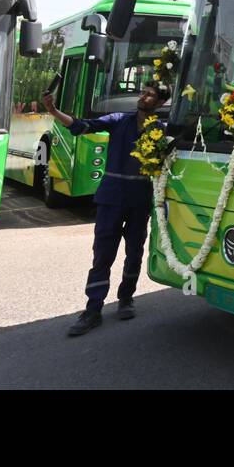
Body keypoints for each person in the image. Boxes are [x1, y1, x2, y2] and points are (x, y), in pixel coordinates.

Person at [42, 81, 170, 336]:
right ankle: (93, 310)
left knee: (134, 252)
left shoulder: (161, 131)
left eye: (150, 95)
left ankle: (126, 299)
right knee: (102, 255)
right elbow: (82, 126)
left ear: (160, 102)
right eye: (143, 92)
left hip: (140, 202)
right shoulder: (119, 120)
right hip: (111, 199)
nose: (143, 96)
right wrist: (54, 111)